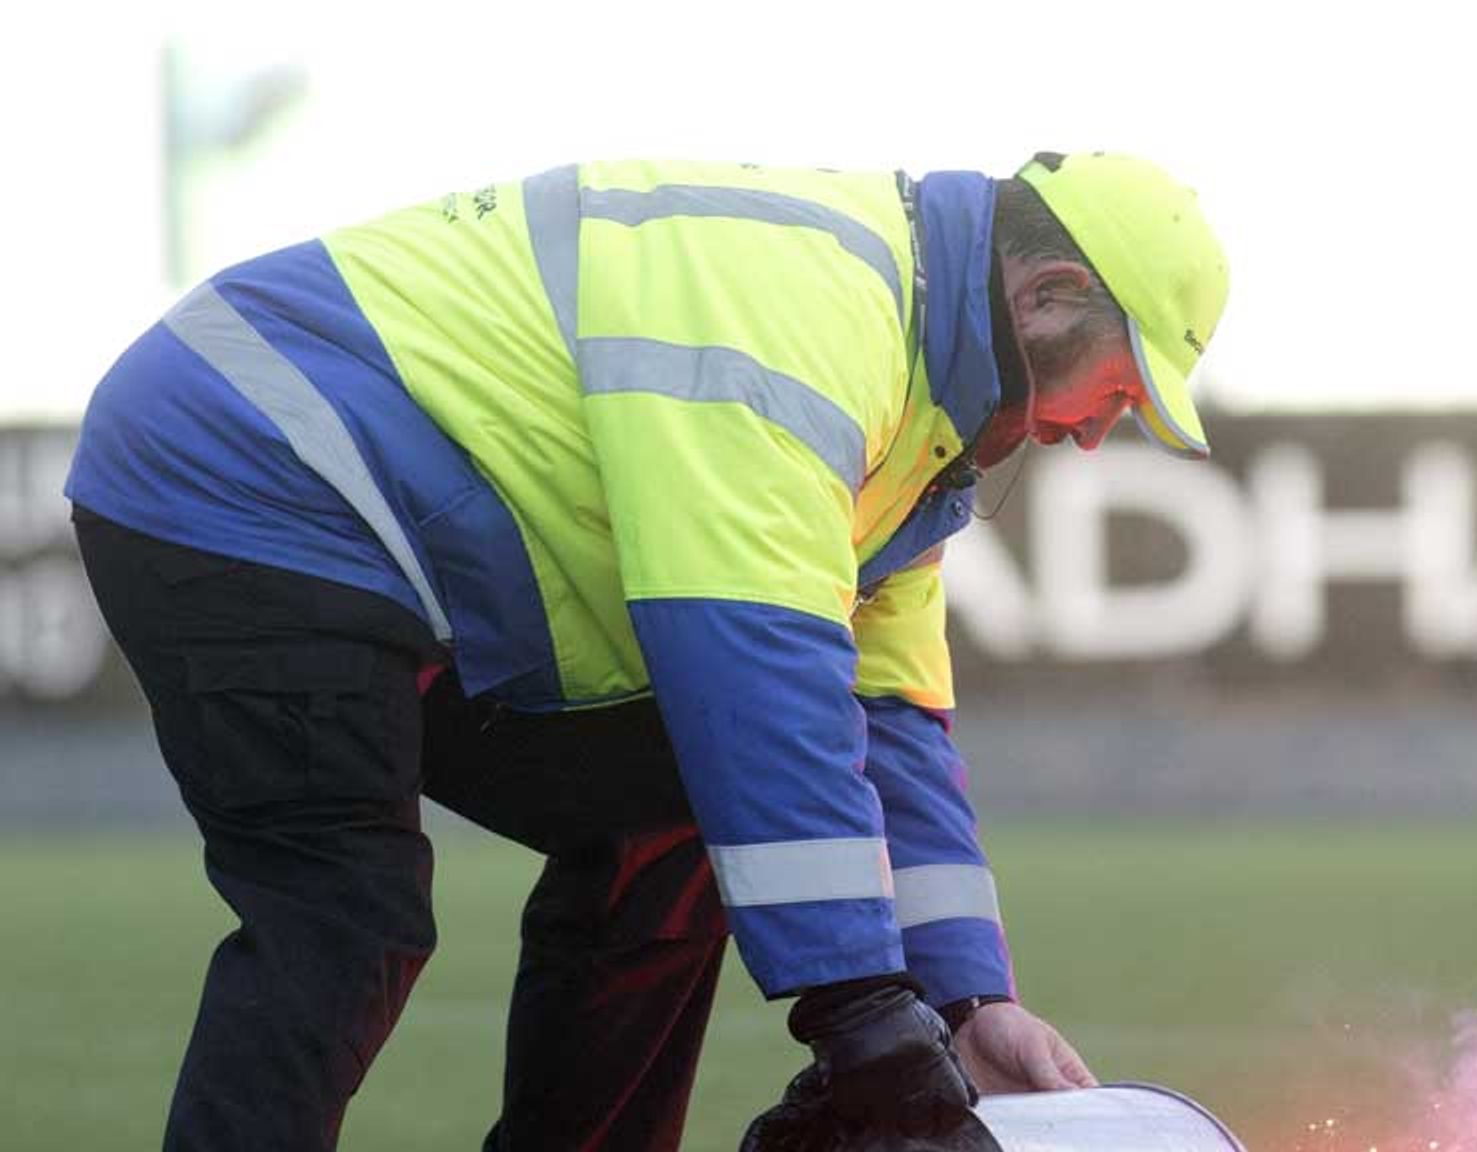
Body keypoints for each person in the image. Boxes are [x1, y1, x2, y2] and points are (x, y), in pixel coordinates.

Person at [66, 149, 1229, 1151]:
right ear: (1048, 295)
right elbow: (750, 673)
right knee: (341, 911)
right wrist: (864, 1019)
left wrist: (963, 1001)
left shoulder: (919, 429)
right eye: (1118, 391)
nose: (1089, 438)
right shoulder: (809, 319)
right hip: (238, 465)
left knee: (676, 809)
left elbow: (883, 723)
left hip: (381, 534)